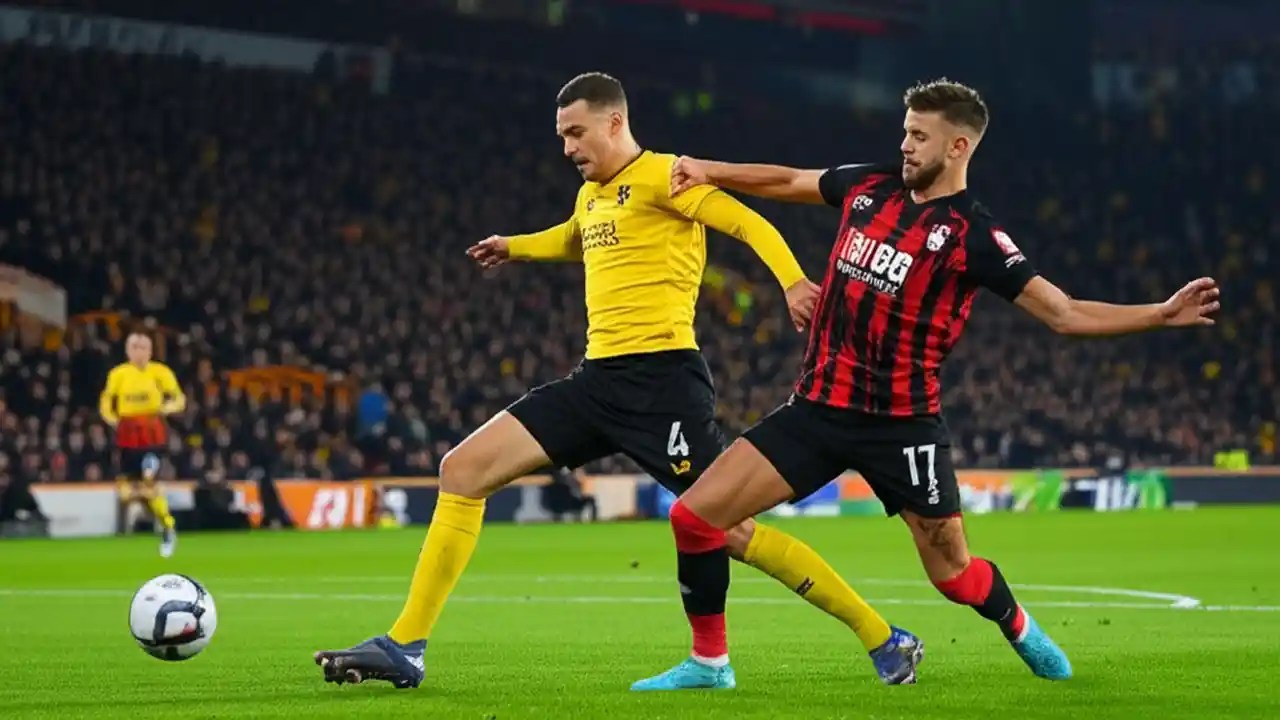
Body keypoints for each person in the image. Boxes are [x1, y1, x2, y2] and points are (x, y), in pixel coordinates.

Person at [315, 72, 921, 690]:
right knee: (462, 470)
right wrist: (514, 247)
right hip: (597, 382)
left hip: (665, 386)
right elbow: (575, 241)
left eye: (576, 132)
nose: (568, 148)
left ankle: (880, 635)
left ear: (613, 122)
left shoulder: (664, 176)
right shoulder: (591, 197)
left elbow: (746, 223)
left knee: (731, 530)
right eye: (560, 137)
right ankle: (407, 645)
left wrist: (792, 281)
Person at [633, 78, 1221, 689]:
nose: (906, 145)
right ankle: (710, 664)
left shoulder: (975, 235)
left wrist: (1157, 314)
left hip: (902, 427)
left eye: (919, 136)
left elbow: (1063, 313)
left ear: (959, 146)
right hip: (816, 409)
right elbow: (789, 181)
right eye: (905, 132)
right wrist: (709, 170)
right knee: (695, 519)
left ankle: (1016, 622)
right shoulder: (870, 185)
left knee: (953, 576)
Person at [99, 332, 185, 557]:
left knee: (149, 479)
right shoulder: (118, 374)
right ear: (128, 351)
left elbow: (178, 398)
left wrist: (166, 409)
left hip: (151, 430)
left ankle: (168, 527)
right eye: (135, 347)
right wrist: (112, 419)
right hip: (128, 431)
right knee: (127, 490)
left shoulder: (160, 372)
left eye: (143, 347)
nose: (139, 351)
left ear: (150, 350)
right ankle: (149, 518)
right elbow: (107, 400)